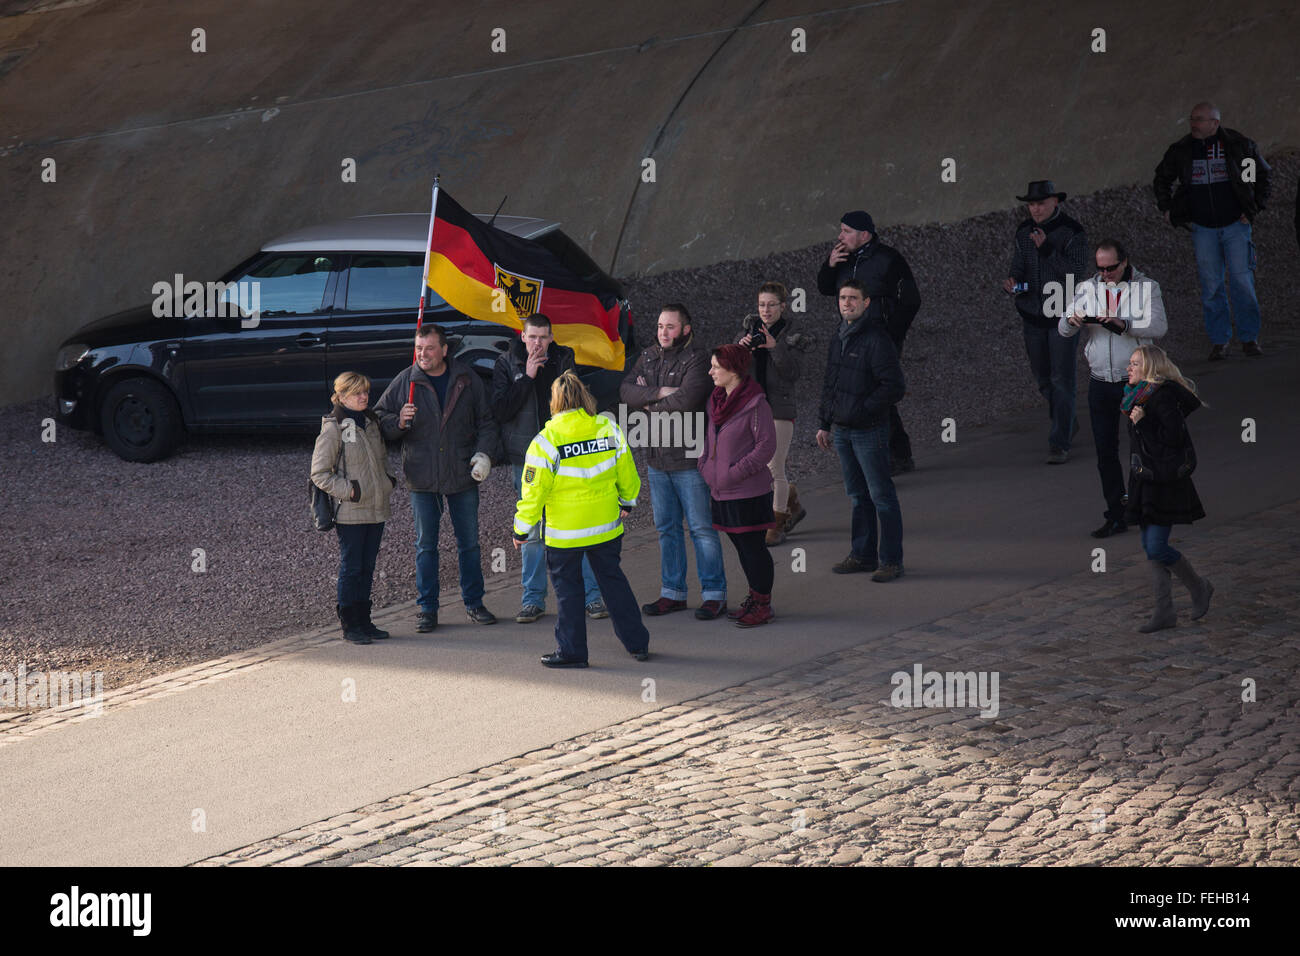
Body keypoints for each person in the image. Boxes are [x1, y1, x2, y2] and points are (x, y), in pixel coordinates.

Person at [513, 372, 650, 667]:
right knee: (614, 584)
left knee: (568, 593)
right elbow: (626, 469)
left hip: (566, 533)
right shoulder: (607, 427)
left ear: (555, 401)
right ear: (584, 396)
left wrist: (521, 530)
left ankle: (573, 652)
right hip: (605, 528)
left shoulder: (545, 441)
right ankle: (638, 643)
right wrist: (628, 500)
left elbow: (533, 493)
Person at [374, 324, 499, 632]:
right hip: (422, 475)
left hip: (462, 472)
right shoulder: (407, 379)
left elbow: (487, 422)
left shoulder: (466, 379)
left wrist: (484, 454)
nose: (422, 354)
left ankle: (474, 602)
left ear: (444, 350)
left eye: (429, 348)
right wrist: (398, 422)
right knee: (425, 545)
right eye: (418, 348)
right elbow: (378, 418)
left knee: (468, 543)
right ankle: (427, 609)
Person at [492, 313, 606, 624]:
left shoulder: (563, 357)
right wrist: (526, 376)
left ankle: (592, 598)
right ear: (523, 336)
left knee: (578, 527)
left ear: (552, 337)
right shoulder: (507, 362)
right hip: (527, 457)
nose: (538, 343)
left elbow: (574, 402)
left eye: (544, 337)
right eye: (532, 337)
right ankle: (533, 600)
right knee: (530, 530)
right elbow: (501, 410)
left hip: (566, 454)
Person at [620, 304, 728, 619]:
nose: (663, 332)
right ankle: (674, 593)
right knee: (666, 528)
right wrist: (663, 392)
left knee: (701, 529)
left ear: (685, 329)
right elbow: (626, 391)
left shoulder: (697, 359)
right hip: (656, 460)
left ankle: (714, 594)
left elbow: (689, 399)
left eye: (670, 327)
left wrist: (649, 400)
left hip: (689, 460)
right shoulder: (648, 355)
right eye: (660, 326)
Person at [1060, 239, 1169, 538]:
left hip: (1135, 381)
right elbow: (1062, 327)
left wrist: (1125, 324)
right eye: (1100, 268)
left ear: (1124, 262)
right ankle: (1117, 513)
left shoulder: (1147, 286)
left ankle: (1149, 509)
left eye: (1111, 268)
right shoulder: (1087, 289)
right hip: (1100, 381)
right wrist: (1072, 320)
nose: (1105, 274)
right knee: (1105, 452)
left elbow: (1159, 327)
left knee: (1145, 447)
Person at [1153, 102, 1271, 360]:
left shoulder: (1239, 146)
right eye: (1192, 118)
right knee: (1211, 286)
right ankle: (1220, 341)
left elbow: (1257, 177)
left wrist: (1252, 209)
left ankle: (1249, 338)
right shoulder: (1182, 150)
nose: (1193, 124)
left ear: (1215, 123)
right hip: (1203, 229)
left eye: (1199, 119)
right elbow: (1162, 178)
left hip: (1236, 226)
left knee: (1242, 281)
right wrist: (1168, 209)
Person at [816, 210, 920, 473]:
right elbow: (825, 288)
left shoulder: (888, 259)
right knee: (861, 390)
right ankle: (893, 453)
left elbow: (910, 300)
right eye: (840, 230)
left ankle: (892, 456)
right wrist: (829, 265)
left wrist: (891, 335)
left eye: (846, 231)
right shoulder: (842, 258)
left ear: (864, 234)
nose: (840, 236)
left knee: (878, 390)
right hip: (849, 337)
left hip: (880, 338)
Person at [816, 280, 906, 581]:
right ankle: (862, 555)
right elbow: (831, 382)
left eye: (853, 298)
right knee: (857, 495)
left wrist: (863, 409)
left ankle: (891, 560)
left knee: (881, 495)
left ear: (866, 303)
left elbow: (894, 386)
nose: (846, 303)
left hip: (869, 431)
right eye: (842, 298)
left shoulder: (877, 339)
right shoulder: (839, 337)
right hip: (842, 430)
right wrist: (824, 423)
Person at [1123, 345, 1213, 632]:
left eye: (1135, 364)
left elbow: (1172, 438)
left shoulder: (1159, 398)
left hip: (1165, 482)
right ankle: (1164, 611)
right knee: (1150, 547)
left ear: (1149, 368)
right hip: (1147, 479)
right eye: (1130, 363)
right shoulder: (1139, 396)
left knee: (1156, 546)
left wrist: (1144, 423)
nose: (1129, 368)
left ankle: (1199, 587)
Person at [1003, 180, 1089, 464]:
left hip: (1063, 314)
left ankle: (1059, 441)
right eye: (1031, 204)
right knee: (1043, 378)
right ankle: (1066, 421)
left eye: (1041, 203)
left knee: (1061, 379)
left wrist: (1047, 249)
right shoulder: (1023, 231)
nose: (1035, 209)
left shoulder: (1073, 232)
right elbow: (1019, 264)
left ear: (1055, 202)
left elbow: (1075, 274)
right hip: (1032, 314)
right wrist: (1014, 282)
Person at [311, 372, 396, 645]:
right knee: (352, 567)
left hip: (376, 506)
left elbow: (381, 458)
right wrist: (350, 491)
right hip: (351, 510)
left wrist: (387, 481)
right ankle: (350, 625)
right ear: (342, 396)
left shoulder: (371, 421)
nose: (364, 397)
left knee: (368, 566)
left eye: (366, 392)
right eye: (357, 393)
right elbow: (319, 473)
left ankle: (364, 621)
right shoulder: (334, 427)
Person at [699, 346, 778, 627]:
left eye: (715, 367)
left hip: (748, 492)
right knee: (741, 548)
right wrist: (705, 465)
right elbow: (710, 440)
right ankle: (754, 597)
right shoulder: (717, 400)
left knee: (753, 547)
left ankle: (762, 604)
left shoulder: (756, 404)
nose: (710, 372)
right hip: (721, 490)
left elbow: (766, 446)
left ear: (733, 370)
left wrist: (734, 473)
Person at [736, 282, 804, 545]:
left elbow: (794, 373)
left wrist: (775, 346)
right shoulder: (748, 330)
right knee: (761, 467)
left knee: (774, 467)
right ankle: (791, 499)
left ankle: (775, 524)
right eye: (762, 305)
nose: (766, 310)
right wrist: (740, 348)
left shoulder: (793, 334)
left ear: (782, 307)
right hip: (752, 408)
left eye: (772, 305)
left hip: (779, 408)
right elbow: (728, 368)